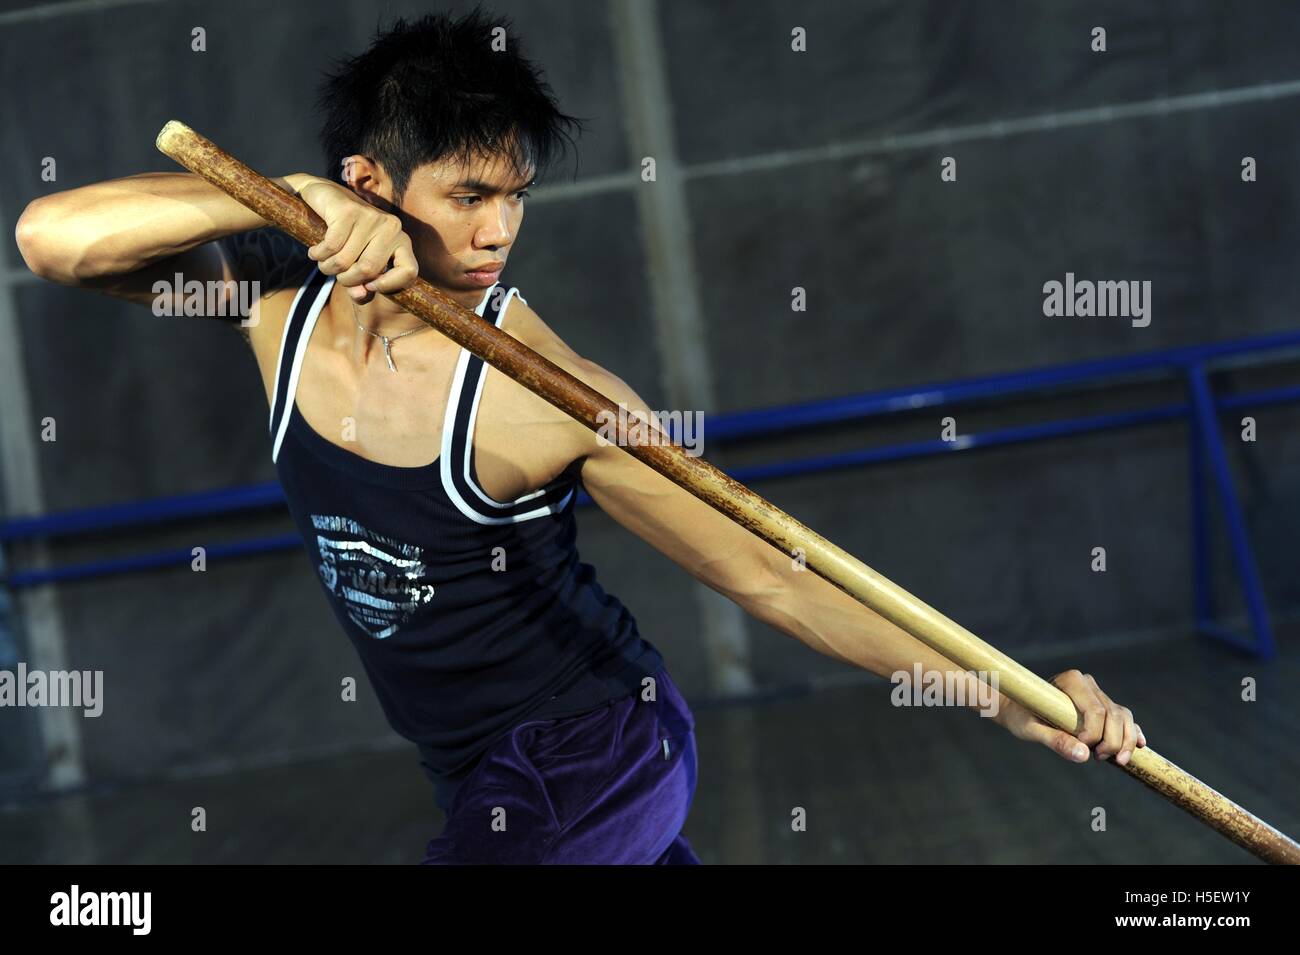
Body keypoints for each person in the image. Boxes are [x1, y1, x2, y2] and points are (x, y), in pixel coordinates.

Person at [14, 6, 1145, 865]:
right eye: (466, 195)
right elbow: (53, 240)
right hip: (471, 772)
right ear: (370, 183)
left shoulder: (544, 391)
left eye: (514, 196)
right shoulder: (271, 295)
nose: (499, 227)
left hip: (594, 750)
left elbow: (775, 575)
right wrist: (284, 199)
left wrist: (1011, 696)